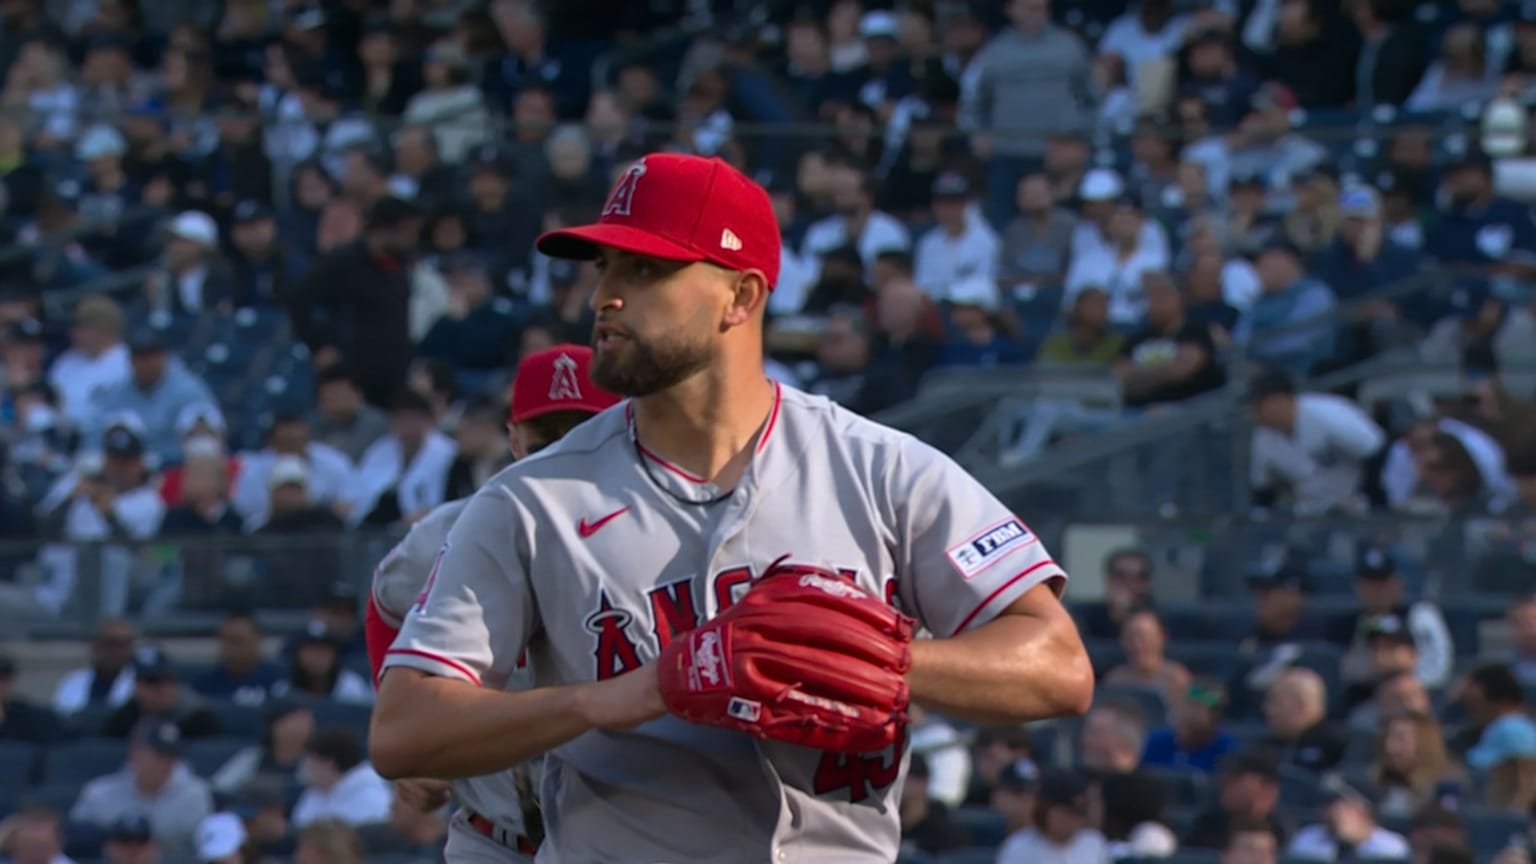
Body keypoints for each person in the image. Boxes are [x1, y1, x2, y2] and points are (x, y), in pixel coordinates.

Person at [372, 153, 1093, 862]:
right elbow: (402, 732)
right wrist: (618, 696)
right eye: (604, 269)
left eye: (644, 270)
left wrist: (876, 663)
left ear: (741, 298)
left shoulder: (879, 468)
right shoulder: (531, 499)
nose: (603, 298)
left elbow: (1058, 666)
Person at [365, 344, 620, 862]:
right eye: (546, 438)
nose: (563, 453)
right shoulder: (449, 531)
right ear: (514, 439)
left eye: (582, 433)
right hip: (495, 841)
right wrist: (411, 732)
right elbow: (384, 606)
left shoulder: (662, 535)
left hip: (621, 838)